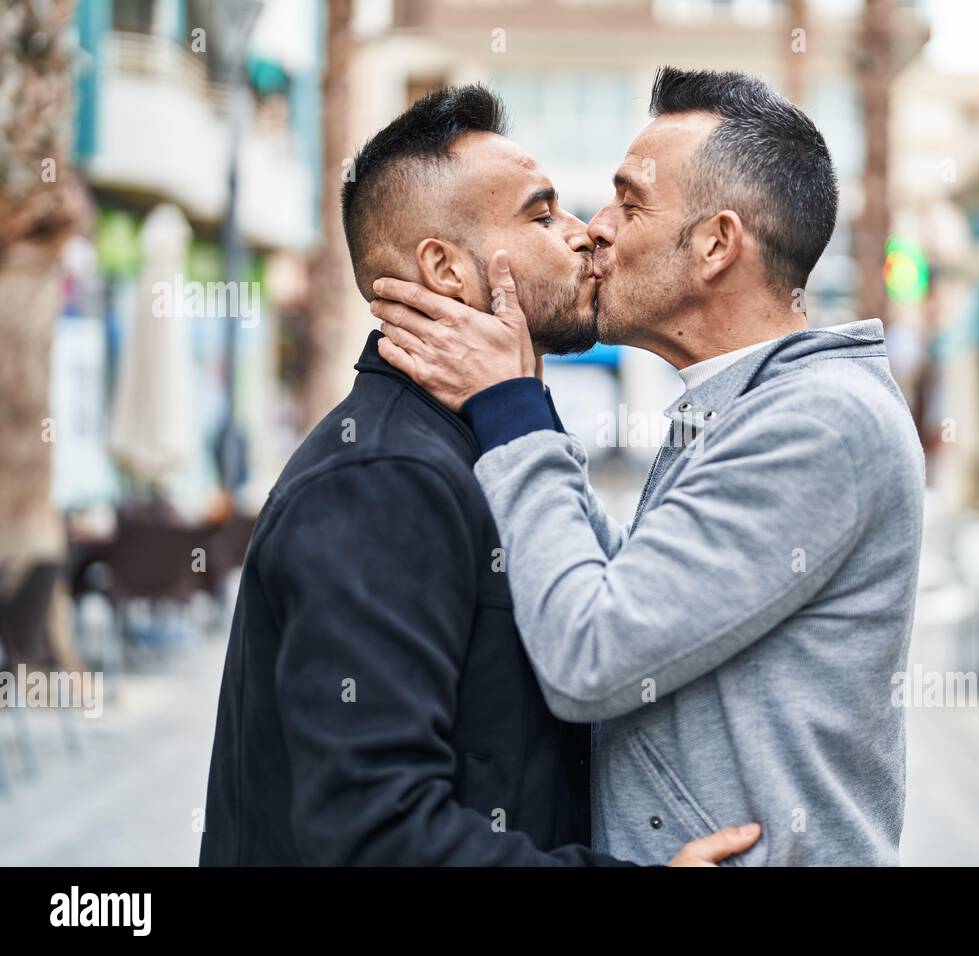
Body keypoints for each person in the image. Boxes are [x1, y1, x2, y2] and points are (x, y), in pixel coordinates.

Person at [373, 67, 926, 867]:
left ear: (716, 245)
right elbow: (629, 586)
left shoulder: (820, 423)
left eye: (629, 205)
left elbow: (591, 655)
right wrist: (517, 401)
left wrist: (510, 411)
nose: (594, 229)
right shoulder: (741, 403)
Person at [199, 84, 759, 866]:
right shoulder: (382, 480)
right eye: (542, 216)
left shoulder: (486, 446)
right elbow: (372, 834)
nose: (585, 235)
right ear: (446, 270)